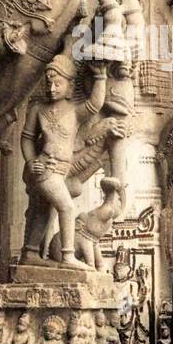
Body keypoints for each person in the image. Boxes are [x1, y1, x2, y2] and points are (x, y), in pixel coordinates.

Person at [19, 54, 108, 269]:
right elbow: (27, 138)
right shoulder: (37, 109)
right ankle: (68, 256)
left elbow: (95, 104)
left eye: (57, 83)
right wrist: (30, 161)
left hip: (61, 170)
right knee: (66, 207)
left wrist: (101, 76)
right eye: (48, 83)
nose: (52, 88)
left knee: (43, 211)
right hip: (45, 167)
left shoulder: (74, 111)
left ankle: (30, 252)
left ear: (70, 86)